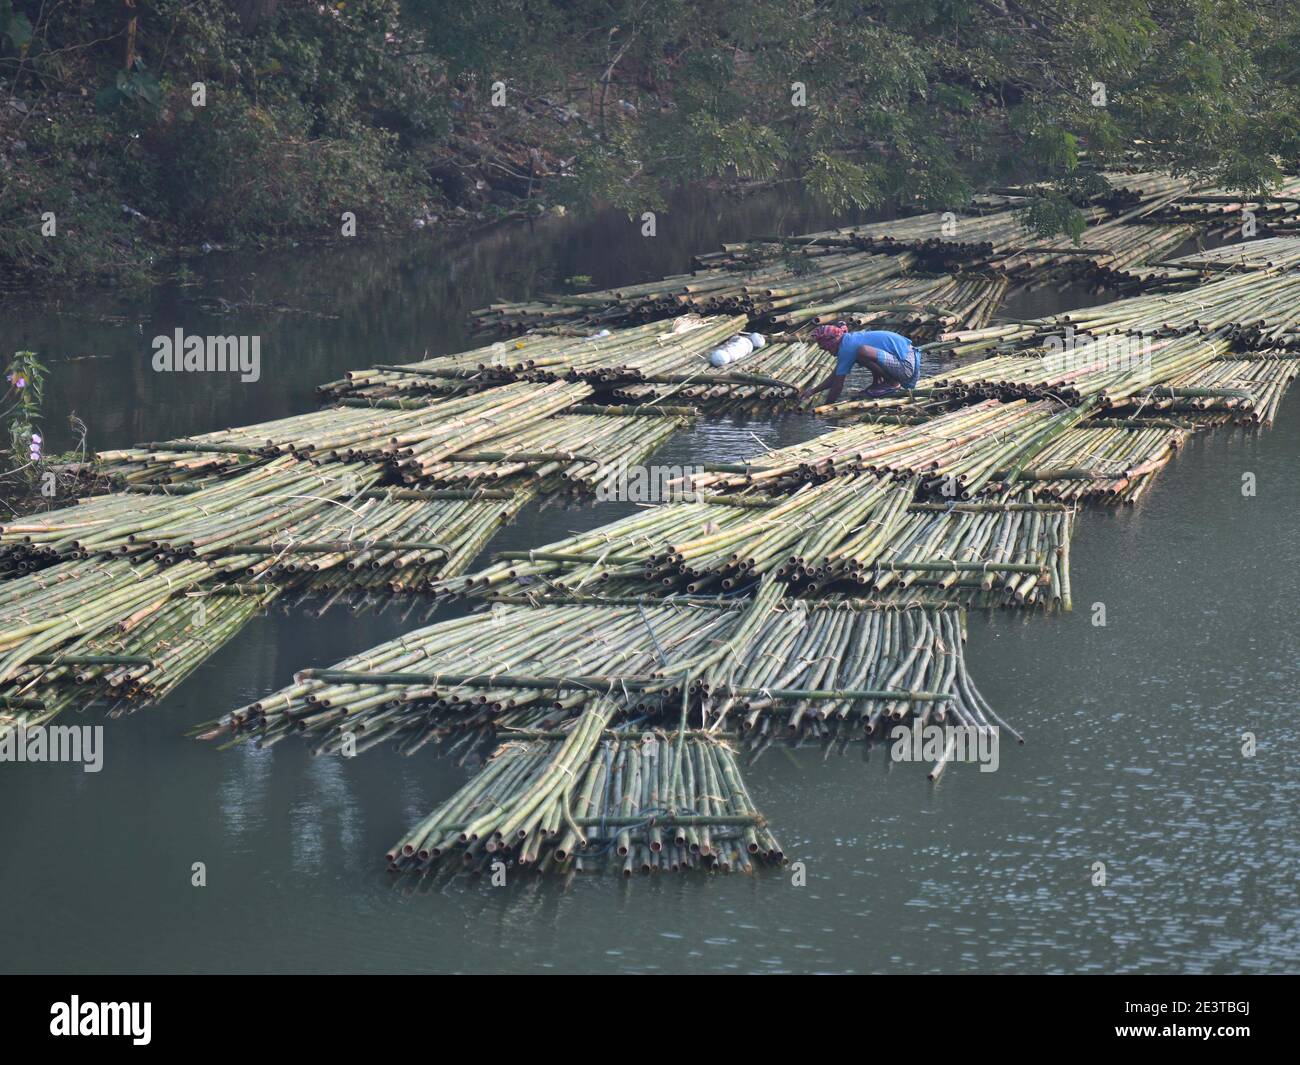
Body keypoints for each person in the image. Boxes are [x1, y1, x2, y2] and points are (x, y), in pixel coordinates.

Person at [800, 323, 922, 404]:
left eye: (826, 348)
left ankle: (892, 383)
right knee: (862, 354)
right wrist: (812, 391)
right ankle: (880, 383)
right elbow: (835, 377)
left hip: (906, 367)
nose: (828, 352)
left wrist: (827, 406)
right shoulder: (847, 342)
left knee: (863, 352)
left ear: (832, 342)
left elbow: (837, 385)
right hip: (906, 361)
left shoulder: (846, 347)